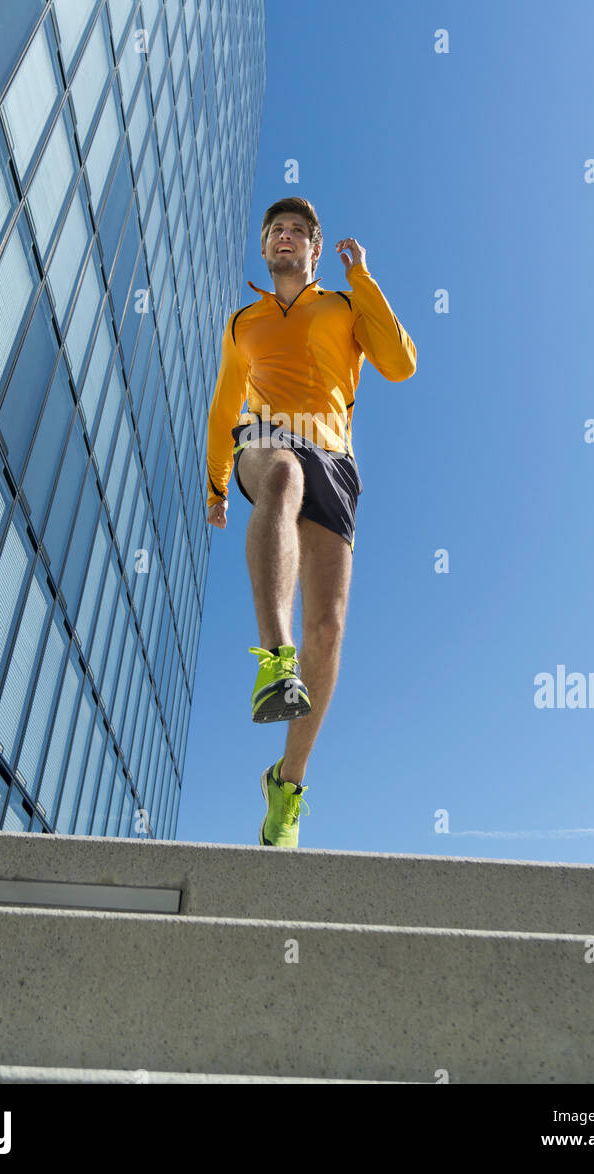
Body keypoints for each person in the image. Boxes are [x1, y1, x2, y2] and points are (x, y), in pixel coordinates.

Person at [205, 197, 416, 846]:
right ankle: (274, 658)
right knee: (281, 474)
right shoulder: (244, 321)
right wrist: (215, 481)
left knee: (328, 629)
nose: (286, 238)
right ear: (265, 250)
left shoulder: (346, 306)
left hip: (336, 457)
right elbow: (223, 405)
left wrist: (365, 280)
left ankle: (286, 785)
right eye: (276, 232)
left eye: (298, 231)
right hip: (267, 439)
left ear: (314, 250)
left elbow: (400, 365)